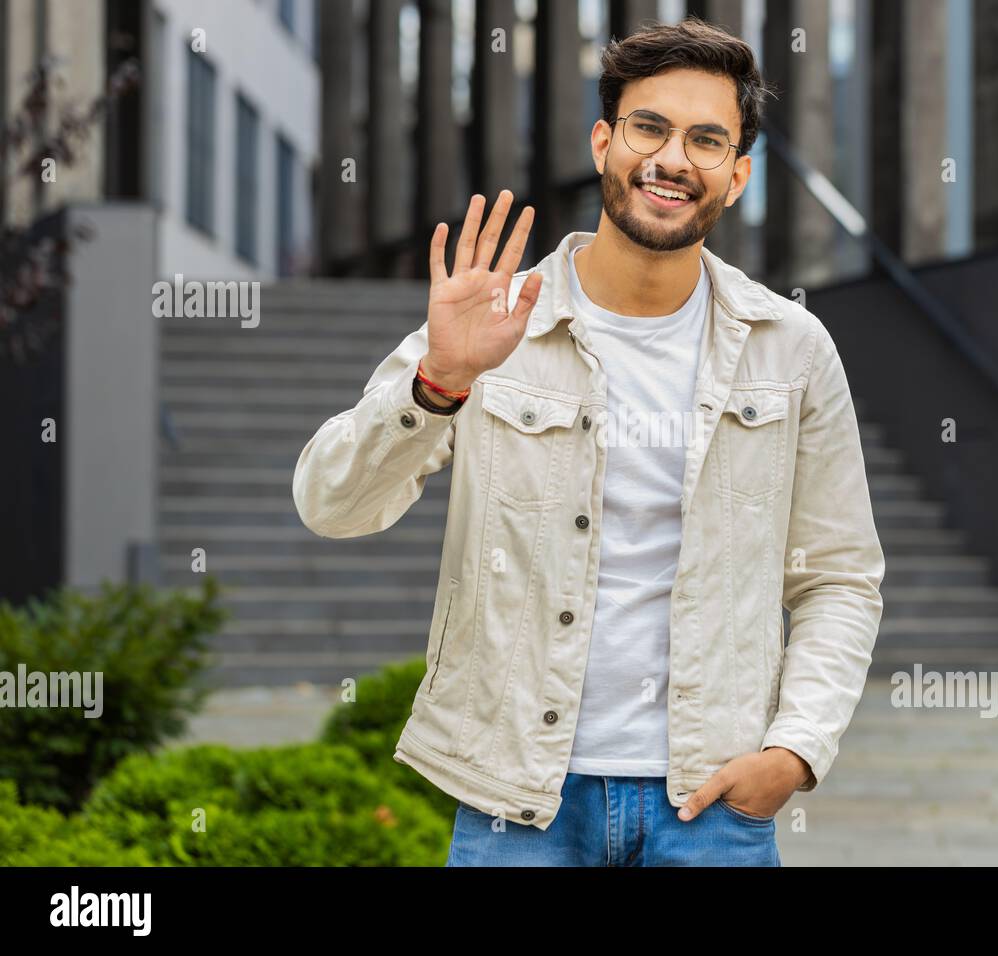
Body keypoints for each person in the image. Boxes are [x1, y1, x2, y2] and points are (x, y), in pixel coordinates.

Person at [292, 16, 885, 867]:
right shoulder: (500, 322)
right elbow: (330, 506)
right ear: (604, 142)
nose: (673, 158)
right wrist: (439, 384)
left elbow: (839, 575)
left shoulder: (790, 348)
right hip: (517, 802)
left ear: (738, 176)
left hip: (712, 803)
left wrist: (794, 751)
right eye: (650, 127)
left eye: (706, 140)